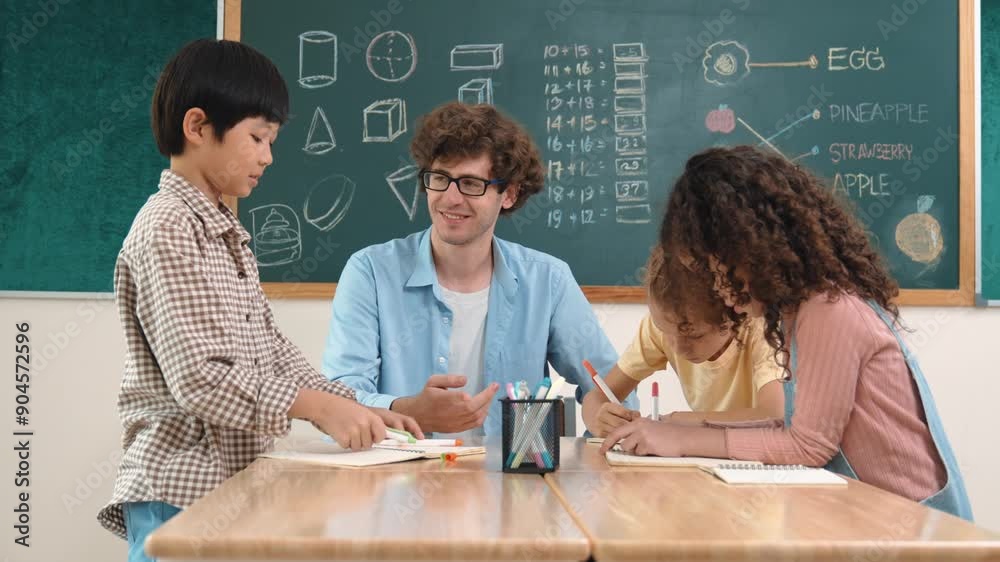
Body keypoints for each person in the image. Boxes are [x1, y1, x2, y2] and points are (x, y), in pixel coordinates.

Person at [97, 39, 421, 560]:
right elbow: (201, 379)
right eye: (258, 138)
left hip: (230, 484)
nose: (269, 157)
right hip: (181, 489)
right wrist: (316, 407)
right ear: (198, 127)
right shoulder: (168, 229)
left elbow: (270, 349)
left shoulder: (225, 230)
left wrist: (355, 406)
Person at [603, 145, 972, 520]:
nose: (721, 291)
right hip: (871, 515)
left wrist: (682, 439)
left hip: (916, 526)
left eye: (721, 270)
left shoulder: (829, 311)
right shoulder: (800, 311)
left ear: (757, 250)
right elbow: (793, 426)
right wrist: (683, 426)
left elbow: (808, 445)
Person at [323, 101, 635, 439]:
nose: (451, 198)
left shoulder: (548, 280)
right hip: (400, 482)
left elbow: (613, 388)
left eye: (471, 184)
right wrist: (408, 410)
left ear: (509, 194)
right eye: (440, 179)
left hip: (512, 486)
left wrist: (601, 423)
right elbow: (339, 398)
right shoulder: (370, 271)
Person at [582, 246, 784, 437]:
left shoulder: (762, 329)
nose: (677, 347)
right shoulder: (659, 327)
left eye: (695, 336)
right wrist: (597, 417)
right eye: (665, 331)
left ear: (732, 314)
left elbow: (773, 415)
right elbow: (596, 397)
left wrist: (675, 422)